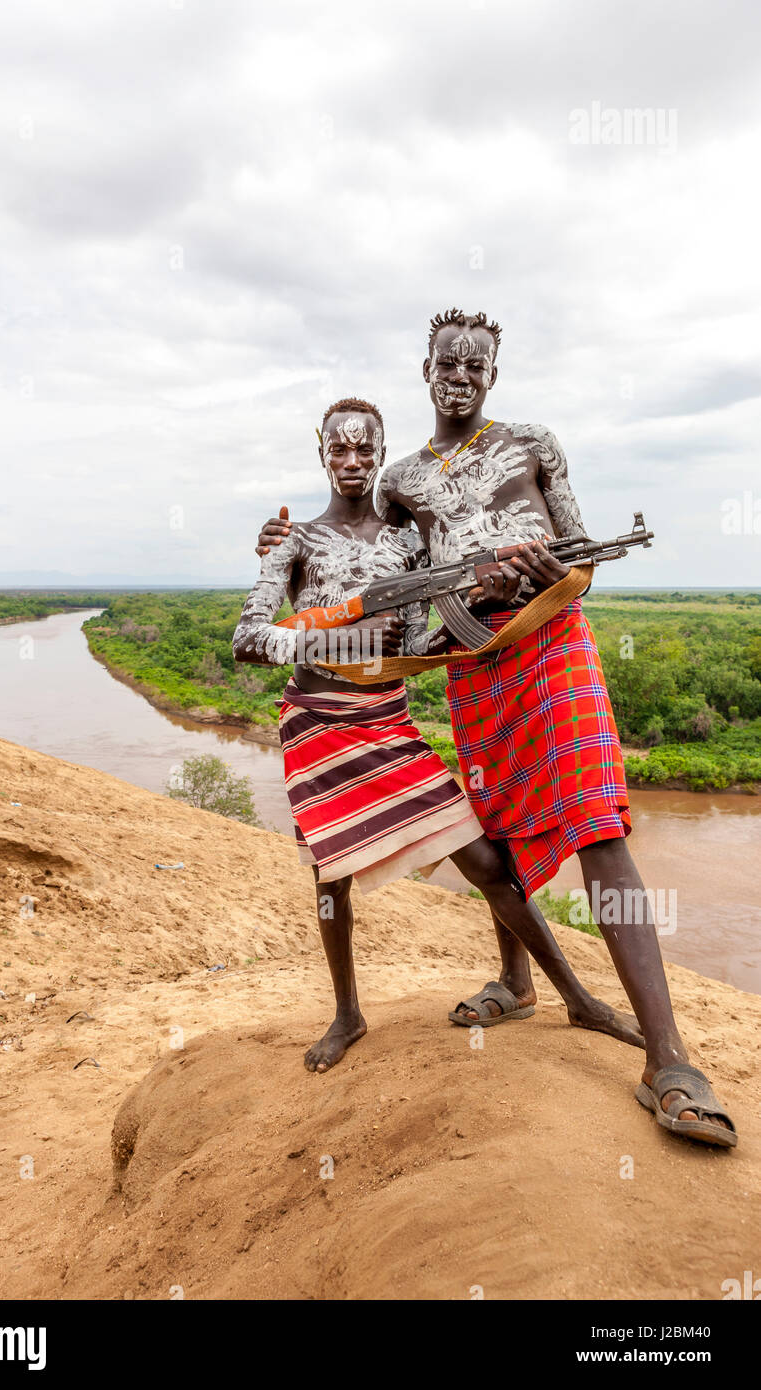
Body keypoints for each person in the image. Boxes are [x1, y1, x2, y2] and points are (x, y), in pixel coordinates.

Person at [254, 320, 737, 1148]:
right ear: (426, 370)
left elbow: (582, 555)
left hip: (549, 639)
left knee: (599, 826)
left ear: (496, 372)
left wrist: (560, 575)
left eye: (477, 365)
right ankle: (517, 985)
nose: (461, 376)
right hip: (473, 664)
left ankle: (668, 1060)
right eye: (448, 363)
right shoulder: (402, 481)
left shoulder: (531, 443)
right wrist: (283, 554)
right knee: (499, 834)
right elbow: (387, 577)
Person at [234, 397, 642, 1074]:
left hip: (385, 718)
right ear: (322, 453)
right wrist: (347, 630)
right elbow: (249, 637)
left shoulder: (408, 544)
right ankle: (347, 1014)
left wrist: (483, 595)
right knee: (329, 876)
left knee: (485, 865)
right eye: (340, 448)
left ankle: (577, 997)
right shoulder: (296, 540)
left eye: (367, 449)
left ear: (382, 451)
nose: (354, 461)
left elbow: (422, 639)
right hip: (317, 723)